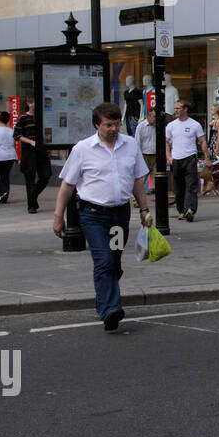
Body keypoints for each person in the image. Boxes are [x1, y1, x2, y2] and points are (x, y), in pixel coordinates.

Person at [53, 102, 153, 331]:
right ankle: (110, 309)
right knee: (104, 259)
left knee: (115, 261)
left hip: (119, 215)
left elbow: (138, 180)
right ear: (97, 125)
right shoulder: (83, 149)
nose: (113, 129)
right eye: (108, 124)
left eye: (116, 124)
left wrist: (144, 210)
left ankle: (104, 300)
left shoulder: (130, 145)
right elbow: (67, 185)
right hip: (93, 216)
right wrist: (58, 216)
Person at [165, 100, 207, 221]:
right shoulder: (171, 126)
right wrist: (169, 157)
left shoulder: (195, 125)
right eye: (175, 108)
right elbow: (166, 142)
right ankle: (181, 209)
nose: (176, 111)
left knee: (191, 185)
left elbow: (202, 141)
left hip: (190, 157)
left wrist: (206, 158)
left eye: (178, 108)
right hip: (176, 159)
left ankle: (190, 209)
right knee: (179, 186)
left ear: (185, 109)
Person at [14, 97, 51, 214]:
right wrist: (30, 142)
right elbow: (16, 135)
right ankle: (31, 205)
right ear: (29, 104)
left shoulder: (43, 117)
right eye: (34, 102)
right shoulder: (23, 118)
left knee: (45, 176)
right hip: (29, 152)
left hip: (42, 150)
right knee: (29, 178)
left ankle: (33, 196)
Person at [202, 103, 219, 196]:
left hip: (218, 145)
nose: (211, 110)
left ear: (217, 111)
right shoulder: (215, 120)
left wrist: (217, 149)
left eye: (213, 109)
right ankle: (213, 187)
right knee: (214, 166)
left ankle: (218, 188)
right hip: (213, 143)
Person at [134, 108, 158, 194]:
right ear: (148, 116)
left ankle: (159, 199)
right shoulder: (141, 126)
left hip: (155, 155)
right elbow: (137, 142)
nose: (155, 118)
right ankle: (136, 199)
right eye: (154, 116)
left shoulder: (158, 126)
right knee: (142, 178)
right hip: (144, 155)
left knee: (156, 177)